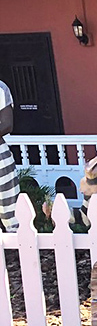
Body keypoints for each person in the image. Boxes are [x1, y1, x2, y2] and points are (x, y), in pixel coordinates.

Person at [0, 79, 19, 232]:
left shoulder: (0, 87)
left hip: (1, 161)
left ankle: (16, 252)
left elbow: (7, 125)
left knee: (10, 212)